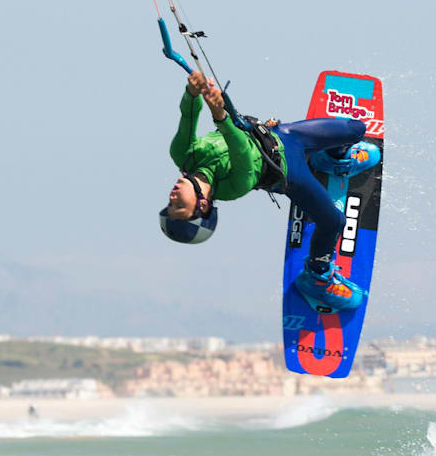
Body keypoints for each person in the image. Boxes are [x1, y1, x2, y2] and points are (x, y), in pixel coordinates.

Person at [160, 71, 381, 310]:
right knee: (335, 222)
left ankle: (331, 159)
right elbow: (242, 151)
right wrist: (220, 116)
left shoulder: (182, 155)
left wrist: (193, 92)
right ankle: (317, 277)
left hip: (284, 136)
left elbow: (188, 117)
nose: (172, 198)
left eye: (169, 204)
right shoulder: (233, 188)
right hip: (292, 174)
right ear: (202, 206)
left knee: (356, 129)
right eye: (179, 206)